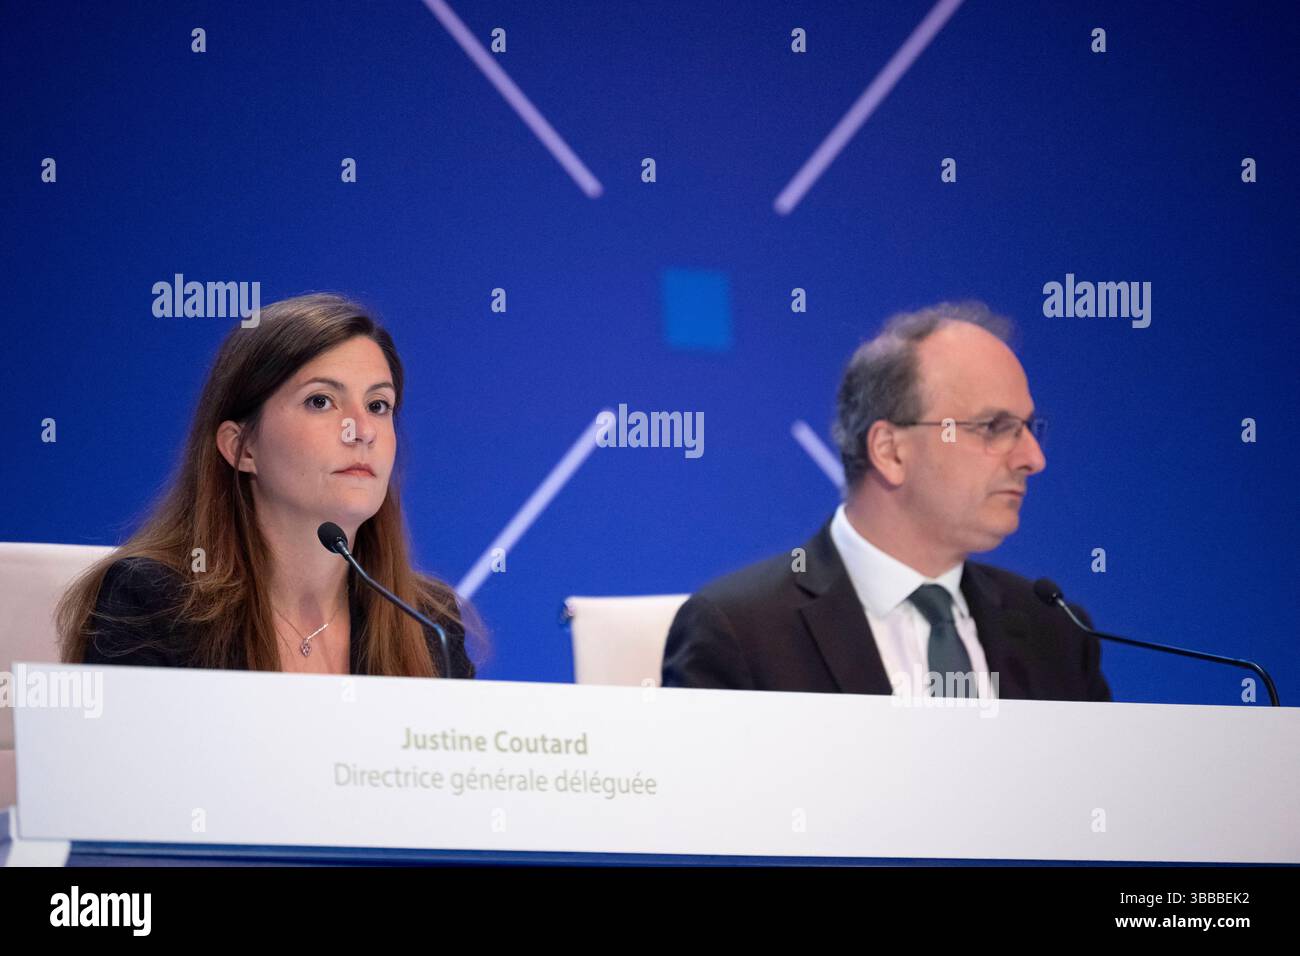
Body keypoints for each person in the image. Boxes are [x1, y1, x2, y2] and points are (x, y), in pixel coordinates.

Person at [661, 301, 1110, 701]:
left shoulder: (1057, 632)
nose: (1033, 458)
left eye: (1031, 428)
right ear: (890, 451)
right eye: (995, 427)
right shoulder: (740, 630)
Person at [57, 293, 477, 678]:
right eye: (321, 401)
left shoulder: (428, 622)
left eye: (378, 405)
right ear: (242, 446)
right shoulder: (157, 602)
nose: (362, 429)